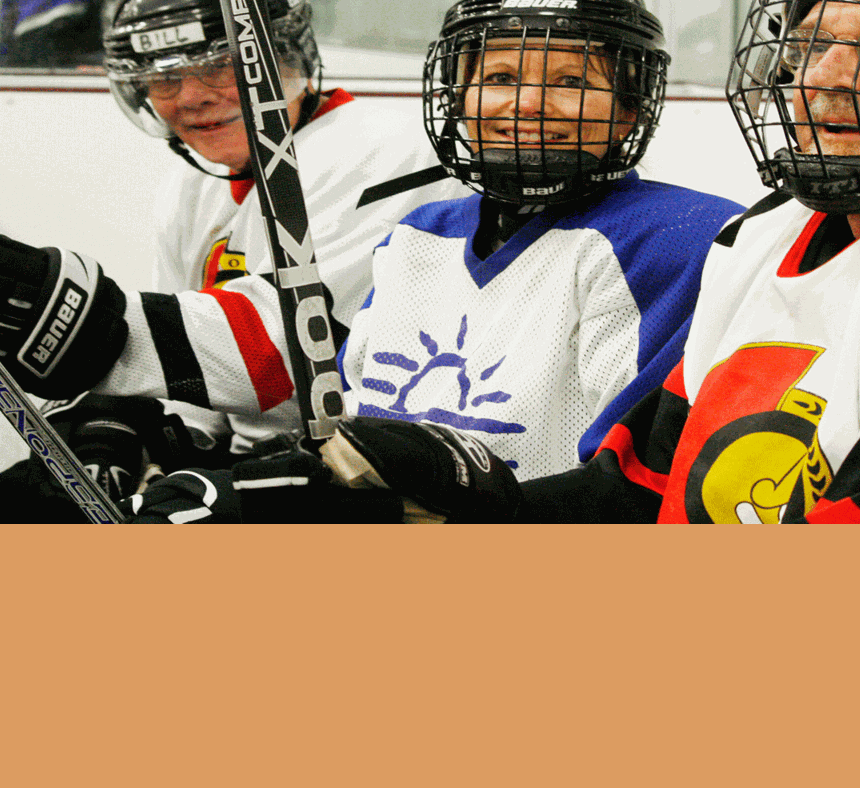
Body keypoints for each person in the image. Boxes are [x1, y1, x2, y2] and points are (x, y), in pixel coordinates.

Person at [156, 0, 860, 524]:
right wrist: (459, 497)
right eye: (810, 43)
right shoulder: (766, 237)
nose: (822, 80)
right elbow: (642, 489)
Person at [115, 0, 746, 524]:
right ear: (458, 94)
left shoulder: (681, 236)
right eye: (499, 78)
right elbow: (359, 435)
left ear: (632, 108)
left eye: (571, 82)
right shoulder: (418, 234)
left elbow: (630, 494)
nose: (526, 104)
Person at [0, 0, 466, 520]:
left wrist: (88, 331)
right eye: (166, 76)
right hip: (258, 460)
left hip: (370, 480)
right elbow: (194, 386)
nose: (191, 96)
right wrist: (130, 424)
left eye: (220, 66)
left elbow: (303, 360)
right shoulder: (191, 185)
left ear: (285, 57)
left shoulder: (390, 152)